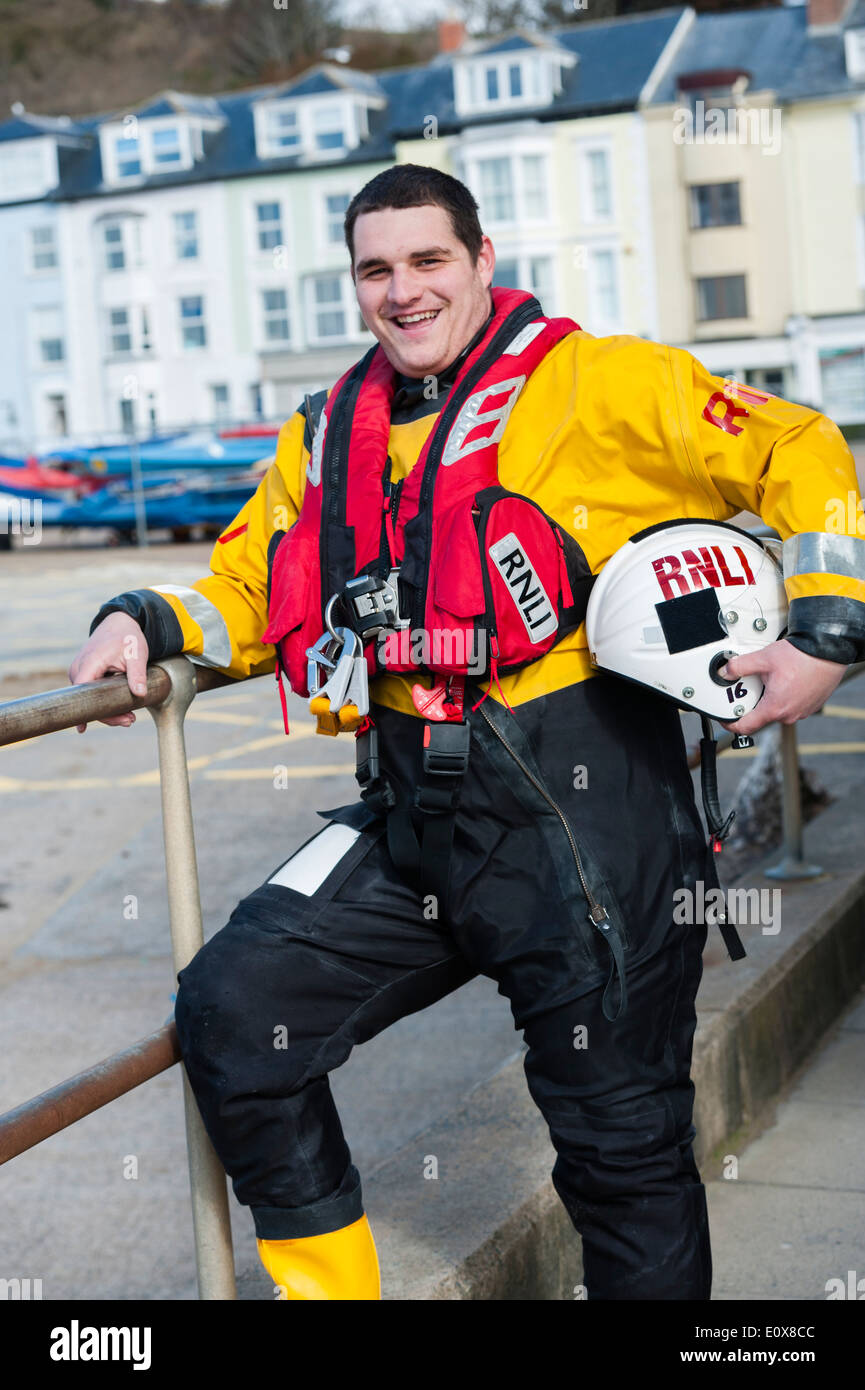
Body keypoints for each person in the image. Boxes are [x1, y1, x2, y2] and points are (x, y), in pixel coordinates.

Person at [69, 165, 865, 1301]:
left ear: (482, 261)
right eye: (376, 269)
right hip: (414, 825)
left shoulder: (598, 384)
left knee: (620, 1150)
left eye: (428, 260)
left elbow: (799, 446)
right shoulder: (323, 433)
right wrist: (139, 621)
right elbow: (249, 585)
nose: (403, 290)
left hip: (589, 824)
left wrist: (825, 630)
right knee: (233, 1010)